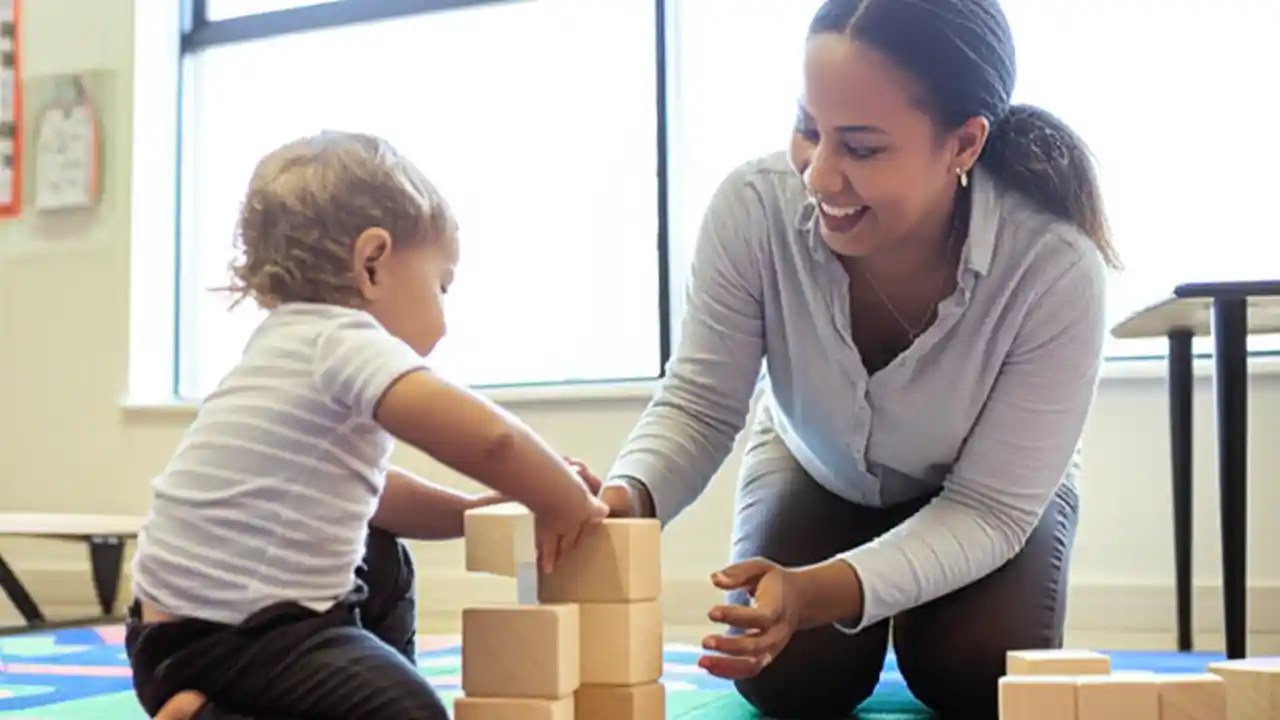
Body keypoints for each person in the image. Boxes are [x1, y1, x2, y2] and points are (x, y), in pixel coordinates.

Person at [594, 0, 1120, 717]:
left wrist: (820, 588)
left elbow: (991, 508)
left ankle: (919, 615)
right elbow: (701, 402)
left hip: (983, 488)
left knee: (978, 677)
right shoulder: (753, 210)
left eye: (863, 148)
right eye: (809, 128)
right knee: (788, 683)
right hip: (817, 456)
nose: (818, 175)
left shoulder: (1054, 267)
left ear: (964, 144)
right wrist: (623, 502)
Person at [125, 131, 608, 720]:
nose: (445, 318)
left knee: (382, 557)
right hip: (246, 637)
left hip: (166, 641)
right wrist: (558, 497)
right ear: (373, 263)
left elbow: (372, 497)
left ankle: (215, 705)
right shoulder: (342, 338)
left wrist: (475, 511)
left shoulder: (282, 344)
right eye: (441, 285)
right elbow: (490, 438)